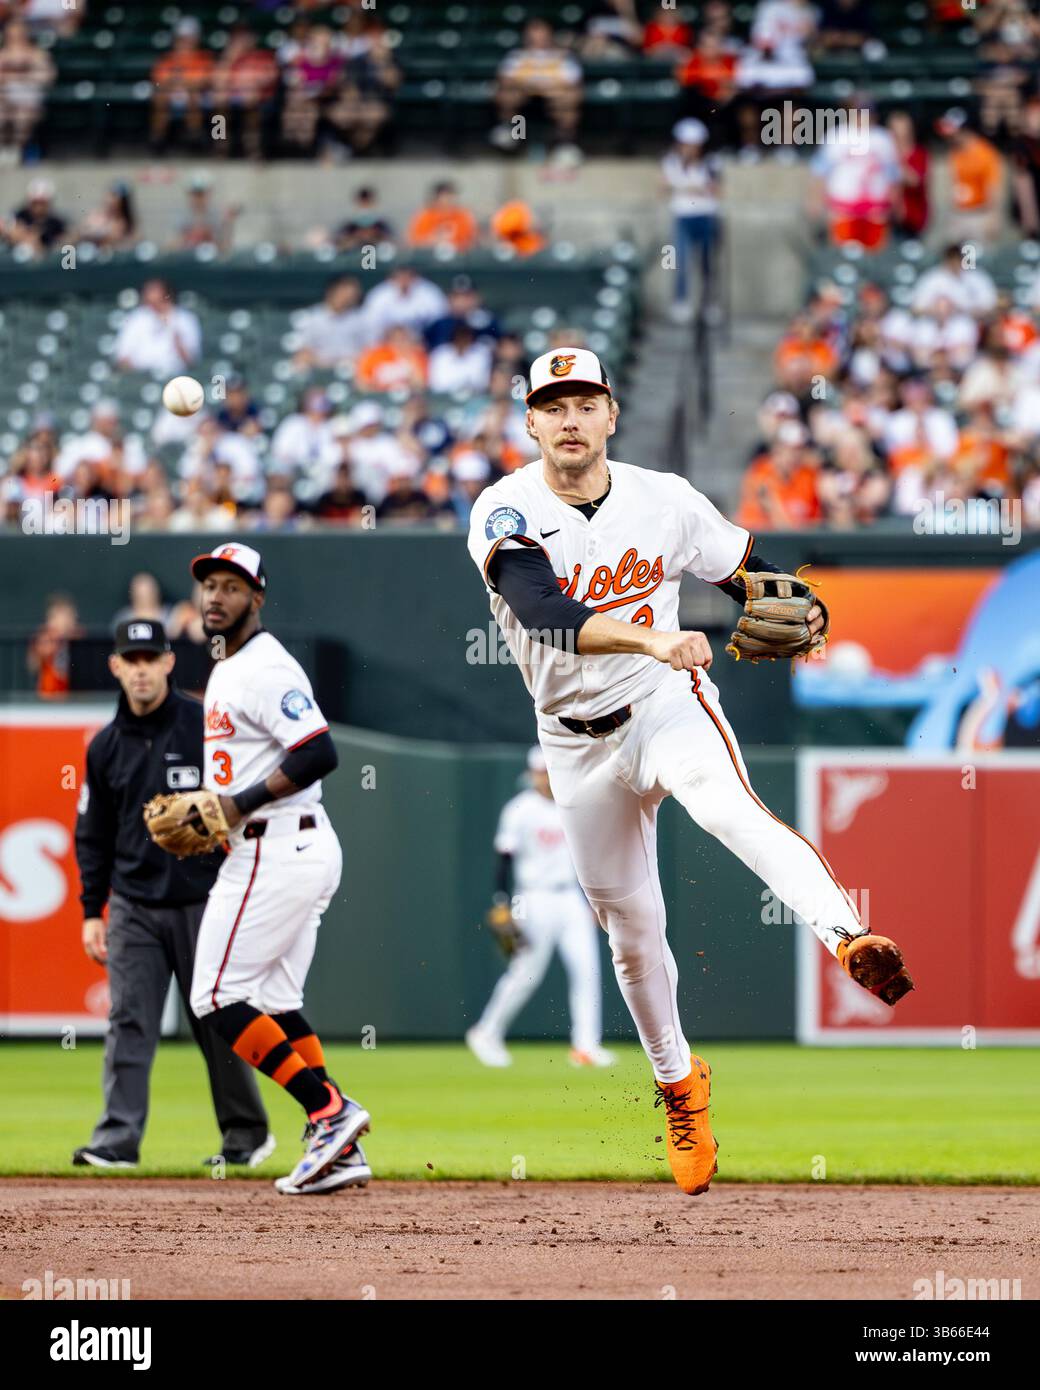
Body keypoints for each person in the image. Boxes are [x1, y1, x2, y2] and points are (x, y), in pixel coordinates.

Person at [465, 347, 914, 1196]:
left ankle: (845, 934)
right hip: (573, 741)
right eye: (551, 405)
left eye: (583, 401)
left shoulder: (663, 498)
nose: (568, 419)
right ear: (529, 422)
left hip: (667, 702)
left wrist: (797, 599)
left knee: (725, 807)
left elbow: (748, 569)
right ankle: (679, 1086)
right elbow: (544, 613)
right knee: (632, 936)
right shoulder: (504, 506)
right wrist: (653, 633)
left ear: (609, 413)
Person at [180, 542, 371, 1194]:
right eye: (208, 585)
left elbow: (319, 751)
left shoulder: (263, 668)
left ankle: (328, 1111)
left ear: (256, 598)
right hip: (287, 847)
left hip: (276, 845)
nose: (215, 596)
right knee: (276, 1001)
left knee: (214, 996)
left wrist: (234, 803)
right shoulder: (231, 667)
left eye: (231, 586)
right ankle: (340, 1144)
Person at [72, 619, 272, 1170]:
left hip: (206, 896)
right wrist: (93, 911)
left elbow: (240, 793)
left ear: (168, 663)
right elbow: (92, 835)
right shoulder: (105, 746)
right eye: (130, 660)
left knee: (217, 1017)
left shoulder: (203, 726)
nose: (140, 669)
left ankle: (246, 1136)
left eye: (149, 658)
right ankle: (117, 1140)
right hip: (135, 905)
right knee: (128, 1020)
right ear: (116, 667)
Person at [466, 746, 613, 1069]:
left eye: (549, 771)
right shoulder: (519, 810)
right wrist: (502, 903)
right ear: (532, 774)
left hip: (570, 896)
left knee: (587, 970)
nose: (545, 778)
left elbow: (588, 858)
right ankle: (486, 1031)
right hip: (533, 897)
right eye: (540, 772)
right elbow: (503, 860)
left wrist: (591, 902)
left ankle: (586, 1046)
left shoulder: (572, 806)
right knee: (526, 973)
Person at [491, 18, 583, 153]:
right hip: (524, 94)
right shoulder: (516, 55)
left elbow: (573, 80)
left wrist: (547, 87)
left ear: (550, 35)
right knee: (507, 94)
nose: (538, 39)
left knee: (570, 96)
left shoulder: (563, 56)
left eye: (542, 34)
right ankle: (513, 133)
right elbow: (505, 79)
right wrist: (532, 86)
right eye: (533, 35)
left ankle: (565, 144)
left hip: (554, 94)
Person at [661, 117, 720, 319]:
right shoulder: (671, 162)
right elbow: (664, 187)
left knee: (707, 263)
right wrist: (693, 188)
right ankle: (680, 300)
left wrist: (688, 187)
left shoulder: (711, 162)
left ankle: (709, 303)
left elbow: (715, 189)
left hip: (706, 216)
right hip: (682, 217)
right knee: (679, 261)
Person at [150, 15, 216, 153]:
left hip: (200, 96)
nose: (185, 42)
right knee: (160, 96)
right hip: (172, 94)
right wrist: (178, 83)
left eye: (189, 38)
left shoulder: (204, 58)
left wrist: (179, 81)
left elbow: (203, 82)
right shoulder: (167, 59)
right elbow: (159, 82)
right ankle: (158, 140)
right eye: (182, 38)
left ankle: (196, 137)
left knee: (195, 95)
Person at [112, 279, 202, 378]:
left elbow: (192, 361)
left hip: (175, 377)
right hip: (139, 376)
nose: (148, 294)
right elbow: (122, 358)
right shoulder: (136, 318)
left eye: (153, 290)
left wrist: (176, 339)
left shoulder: (185, 319)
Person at [406, 180, 479, 254]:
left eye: (451, 195)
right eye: (445, 196)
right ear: (437, 198)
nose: (448, 199)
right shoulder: (425, 216)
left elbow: (471, 241)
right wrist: (433, 240)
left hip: (459, 257)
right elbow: (415, 241)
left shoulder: (463, 215)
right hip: (430, 257)